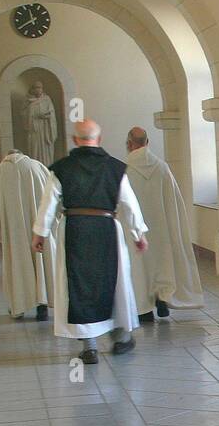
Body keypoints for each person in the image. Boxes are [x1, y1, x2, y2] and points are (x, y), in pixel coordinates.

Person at [32, 119, 148, 364]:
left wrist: (40, 233)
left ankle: (89, 347)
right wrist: (139, 233)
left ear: (75, 140)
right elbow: (129, 202)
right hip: (107, 229)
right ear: (100, 139)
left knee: (79, 285)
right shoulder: (115, 168)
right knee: (114, 283)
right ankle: (121, 339)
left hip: (74, 229)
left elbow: (48, 203)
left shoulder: (62, 168)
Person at [123, 126, 205, 322]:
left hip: (135, 229)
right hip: (161, 228)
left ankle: (144, 308)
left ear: (129, 144)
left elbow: (121, 201)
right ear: (147, 142)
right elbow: (174, 201)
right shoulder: (162, 167)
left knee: (140, 266)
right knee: (162, 262)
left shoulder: (123, 169)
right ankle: (162, 298)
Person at [0, 149, 52, 321]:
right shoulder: (37, 167)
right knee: (41, 264)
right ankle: (42, 306)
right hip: (39, 226)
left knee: (16, 265)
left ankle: (18, 308)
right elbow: (52, 195)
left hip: (12, 229)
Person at [25, 81, 57, 165]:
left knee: (46, 150)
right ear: (32, 89)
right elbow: (24, 115)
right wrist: (34, 116)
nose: (38, 90)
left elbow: (52, 113)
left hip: (46, 130)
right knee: (35, 149)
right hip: (34, 130)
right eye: (36, 88)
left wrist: (47, 116)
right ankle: (36, 168)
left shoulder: (47, 100)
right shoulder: (28, 101)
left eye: (40, 88)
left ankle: (48, 166)